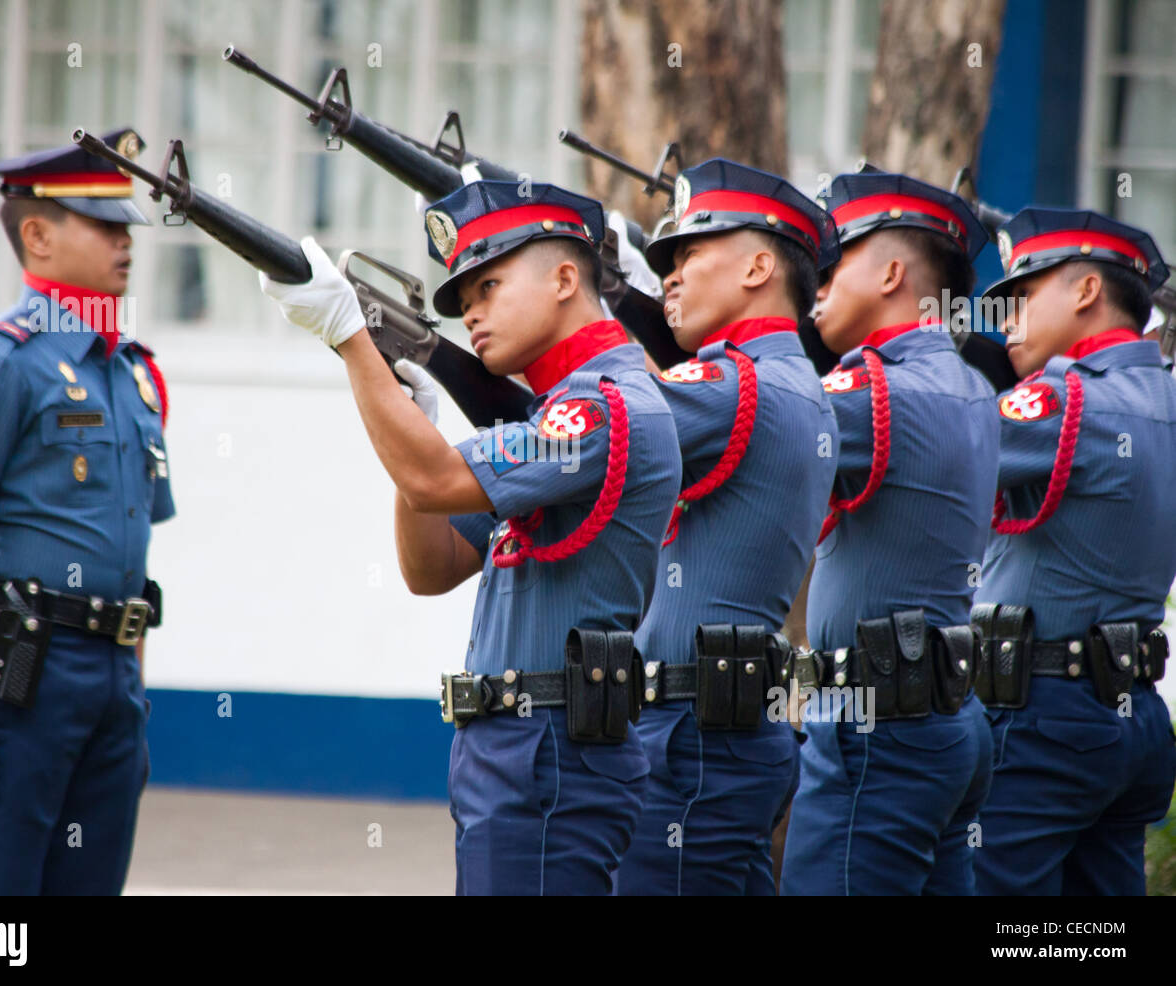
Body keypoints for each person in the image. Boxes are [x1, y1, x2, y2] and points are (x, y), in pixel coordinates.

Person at [259, 180, 681, 895]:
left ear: (565, 278)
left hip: (547, 754)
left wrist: (350, 336)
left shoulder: (602, 409)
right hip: (515, 750)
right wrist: (411, 423)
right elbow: (431, 565)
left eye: (488, 285)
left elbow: (434, 478)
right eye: (464, 300)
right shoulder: (555, 414)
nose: (473, 314)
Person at [0, 128, 172, 895]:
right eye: (105, 225)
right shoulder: (1, 364)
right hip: (24, 665)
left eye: (127, 224)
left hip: (111, 673)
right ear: (37, 234)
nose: (127, 241)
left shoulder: (131, 374)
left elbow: (134, 564)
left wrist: (133, 694)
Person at [609, 159, 839, 895]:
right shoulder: (786, 380)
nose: (670, 276)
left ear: (759, 266)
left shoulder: (733, 384)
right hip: (721, 731)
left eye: (691, 253)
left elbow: (587, 435)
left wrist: (573, 309)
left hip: (687, 739)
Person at [780, 170, 997, 895]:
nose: (817, 285)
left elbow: (716, 440)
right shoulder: (970, 386)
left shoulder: (872, 388)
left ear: (892, 273)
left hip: (874, 727)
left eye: (832, 264)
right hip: (944, 716)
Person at [971, 207, 1176, 895]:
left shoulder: (1063, 401)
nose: (1007, 324)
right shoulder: (1163, 396)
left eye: (1022, 298)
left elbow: (939, 443)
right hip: (1134, 711)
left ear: (1087, 291)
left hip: (1045, 716)